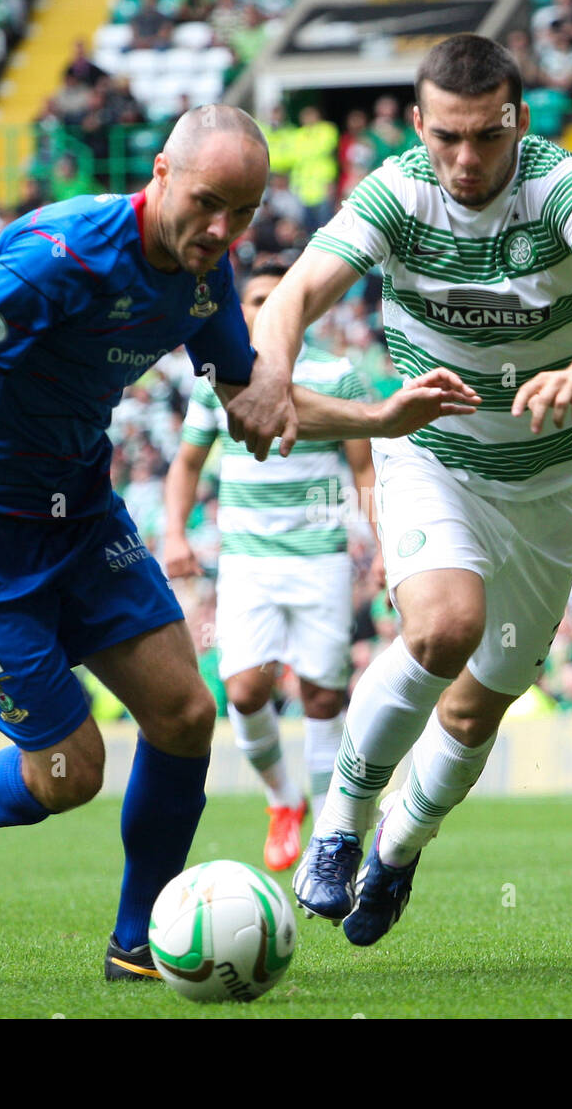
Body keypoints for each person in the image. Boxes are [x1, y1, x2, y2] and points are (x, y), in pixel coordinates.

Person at [0, 104, 477, 979]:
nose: (222, 229)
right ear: (160, 172)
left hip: (81, 519)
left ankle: (137, 945)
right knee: (70, 770)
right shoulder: (59, 254)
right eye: (207, 203)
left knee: (187, 715)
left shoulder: (204, 279)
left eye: (242, 213)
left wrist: (379, 416)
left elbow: (255, 403)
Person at [253, 34, 572, 946]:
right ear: (418, 125)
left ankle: (398, 849)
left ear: (519, 121)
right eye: (446, 137)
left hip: (553, 478)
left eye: (486, 135)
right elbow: (293, 296)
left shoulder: (562, 187)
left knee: (480, 704)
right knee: (444, 628)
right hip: (432, 454)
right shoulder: (396, 193)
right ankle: (339, 827)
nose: (466, 159)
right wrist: (271, 376)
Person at [164, 260, 383, 873]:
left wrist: (386, 545)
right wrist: (175, 532)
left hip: (320, 560)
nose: (263, 309)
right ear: (240, 308)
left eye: (276, 298)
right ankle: (284, 799)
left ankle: (328, 834)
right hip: (247, 563)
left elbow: (364, 467)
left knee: (321, 696)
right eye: (254, 299)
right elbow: (187, 463)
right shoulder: (216, 377)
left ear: (300, 307)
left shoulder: (337, 375)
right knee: (244, 689)